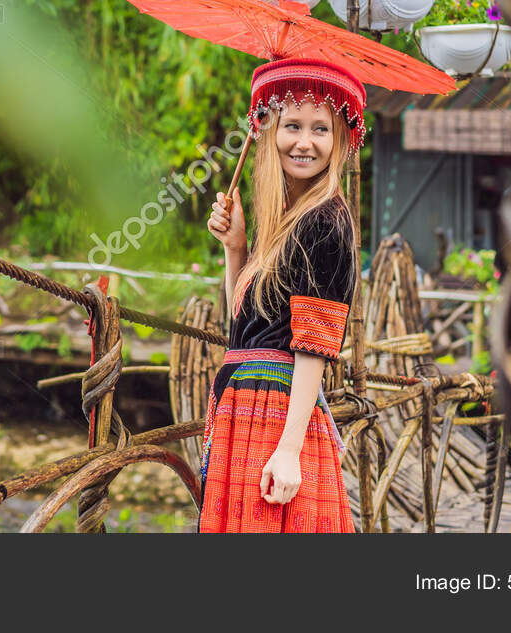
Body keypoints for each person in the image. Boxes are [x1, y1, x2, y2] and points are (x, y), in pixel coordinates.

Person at [199, 57, 363, 533]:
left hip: (276, 413)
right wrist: (237, 249)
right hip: (247, 406)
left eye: (321, 129)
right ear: (268, 132)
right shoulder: (285, 221)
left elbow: (314, 345)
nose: (305, 142)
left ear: (340, 143)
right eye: (292, 125)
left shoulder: (325, 222)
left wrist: (289, 452)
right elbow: (245, 329)